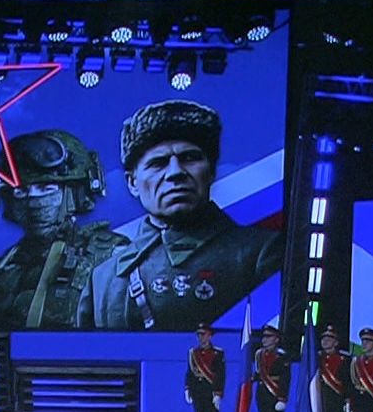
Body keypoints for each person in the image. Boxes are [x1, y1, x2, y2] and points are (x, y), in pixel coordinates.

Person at [80, 100, 284, 329]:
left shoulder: (259, 254)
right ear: (132, 183)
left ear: (211, 171)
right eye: (158, 163)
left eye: (190, 158)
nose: (175, 172)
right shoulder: (103, 278)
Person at [0, 129, 127, 329]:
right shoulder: (8, 265)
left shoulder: (110, 258)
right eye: (21, 191)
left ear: (74, 193)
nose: (32, 198)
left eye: (46, 188)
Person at [186, 323, 226, 412]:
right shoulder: (193, 353)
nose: (200, 337)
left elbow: (220, 375)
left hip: (210, 391)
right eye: (198, 334)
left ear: (209, 336)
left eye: (203, 334)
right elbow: (190, 373)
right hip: (198, 390)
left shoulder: (218, 353)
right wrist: (187, 388)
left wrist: (218, 393)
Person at [254, 325, 290, 412]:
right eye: (264, 337)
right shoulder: (259, 354)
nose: (265, 339)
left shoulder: (282, 356)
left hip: (275, 394)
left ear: (276, 339)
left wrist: (282, 398)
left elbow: (285, 378)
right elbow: (259, 373)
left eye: (268, 337)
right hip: (262, 392)